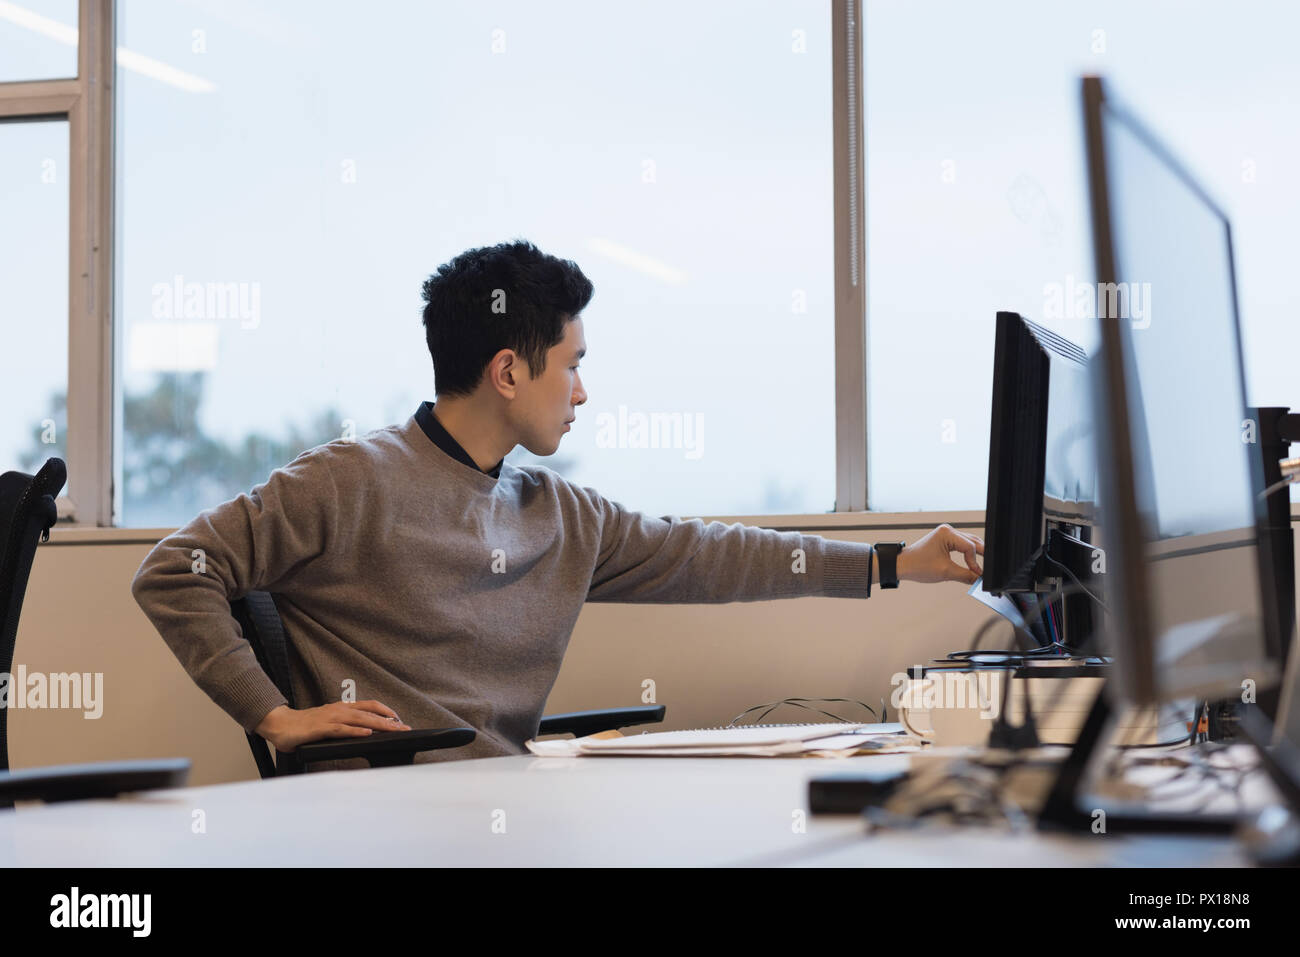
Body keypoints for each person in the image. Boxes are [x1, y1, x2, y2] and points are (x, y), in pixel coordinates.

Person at [131, 239, 984, 767]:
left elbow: (703, 552)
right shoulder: (352, 480)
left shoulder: (554, 511)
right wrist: (275, 716)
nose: (584, 390)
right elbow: (175, 570)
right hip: (399, 826)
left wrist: (892, 564)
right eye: (572, 363)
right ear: (508, 371)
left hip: (507, 806)